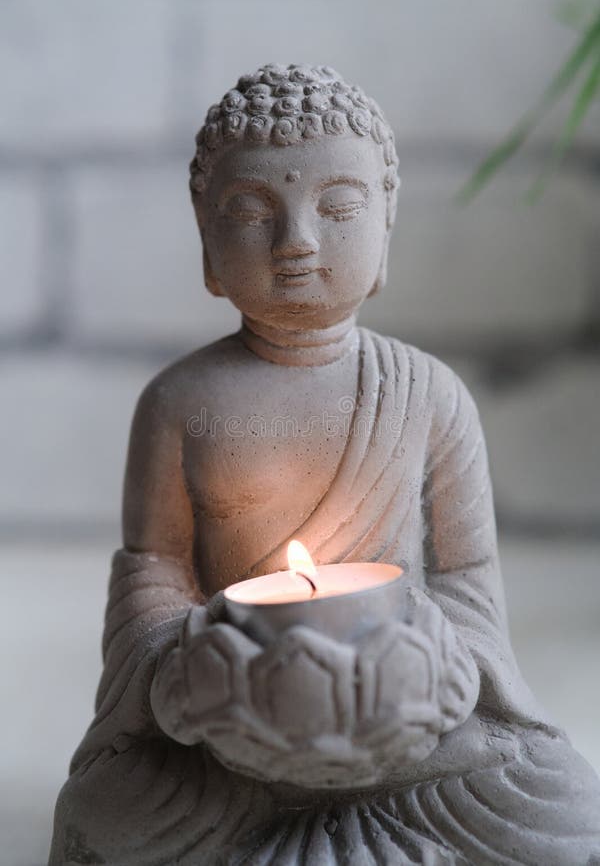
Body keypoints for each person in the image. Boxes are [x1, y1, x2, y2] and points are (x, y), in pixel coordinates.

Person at [49, 64, 600, 866]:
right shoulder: (179, 402)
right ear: (206, 238)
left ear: (387, 226)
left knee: (562, 806)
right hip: (233, 728)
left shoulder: (429, 394)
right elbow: (152, 571)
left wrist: (422, 663)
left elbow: (467, 579)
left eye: (338, 207)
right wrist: (186, 664)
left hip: (406, 724)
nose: (297, 240)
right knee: (104, 814)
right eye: (249, 212)